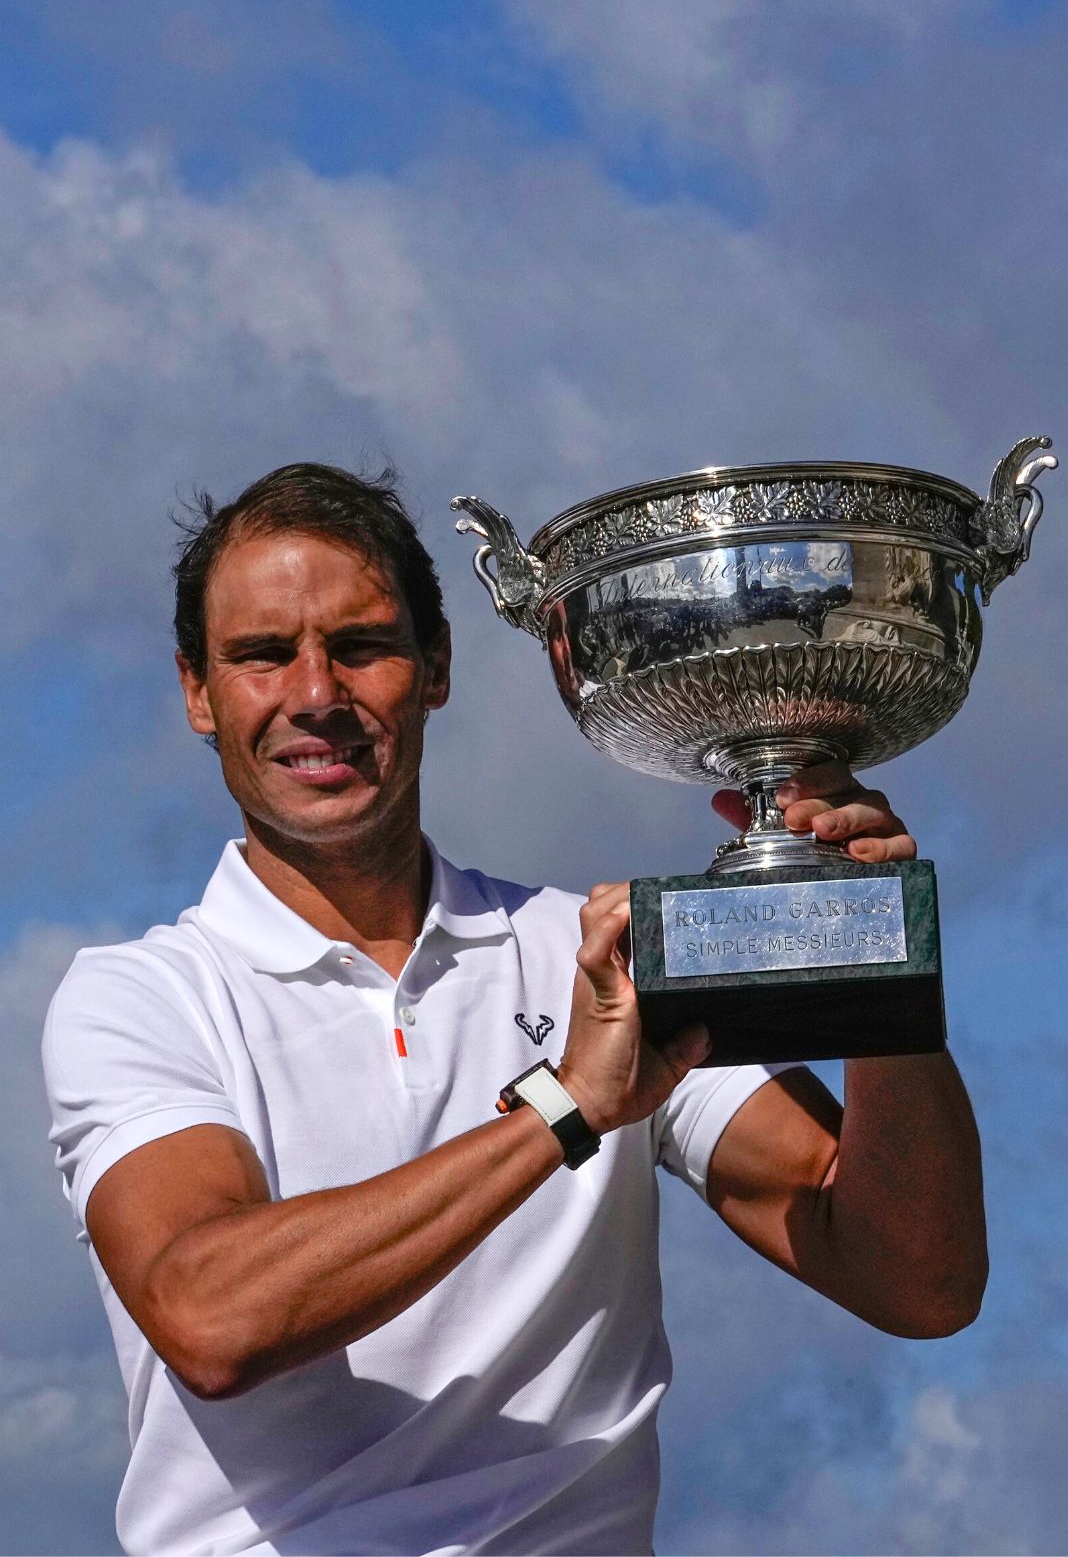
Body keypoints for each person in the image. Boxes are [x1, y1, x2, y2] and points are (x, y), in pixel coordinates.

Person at [43, 463, 988, 1556]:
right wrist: (566, 1106)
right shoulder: (140, 995)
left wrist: (876, 955)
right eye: (262, 655)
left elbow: (920, 1281)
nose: (314, 695)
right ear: (199, 691)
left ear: (434, 666)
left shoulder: (594, 954)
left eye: (360, 646)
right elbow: (211, 1318)